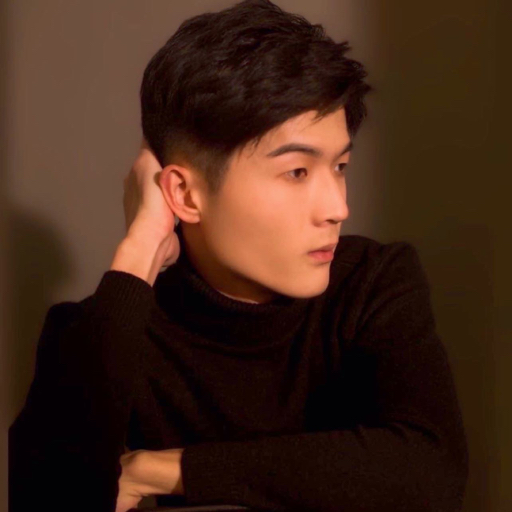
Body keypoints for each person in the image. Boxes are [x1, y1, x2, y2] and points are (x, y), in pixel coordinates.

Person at [8, 1, 469, 511]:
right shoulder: (105, 332)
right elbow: (54, 498)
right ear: (184, 195)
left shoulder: (373, 283)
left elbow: (431, 471)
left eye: (339, 167)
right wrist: (140, 248)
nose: (338, 208)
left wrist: (166, 470)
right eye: (297, 172)